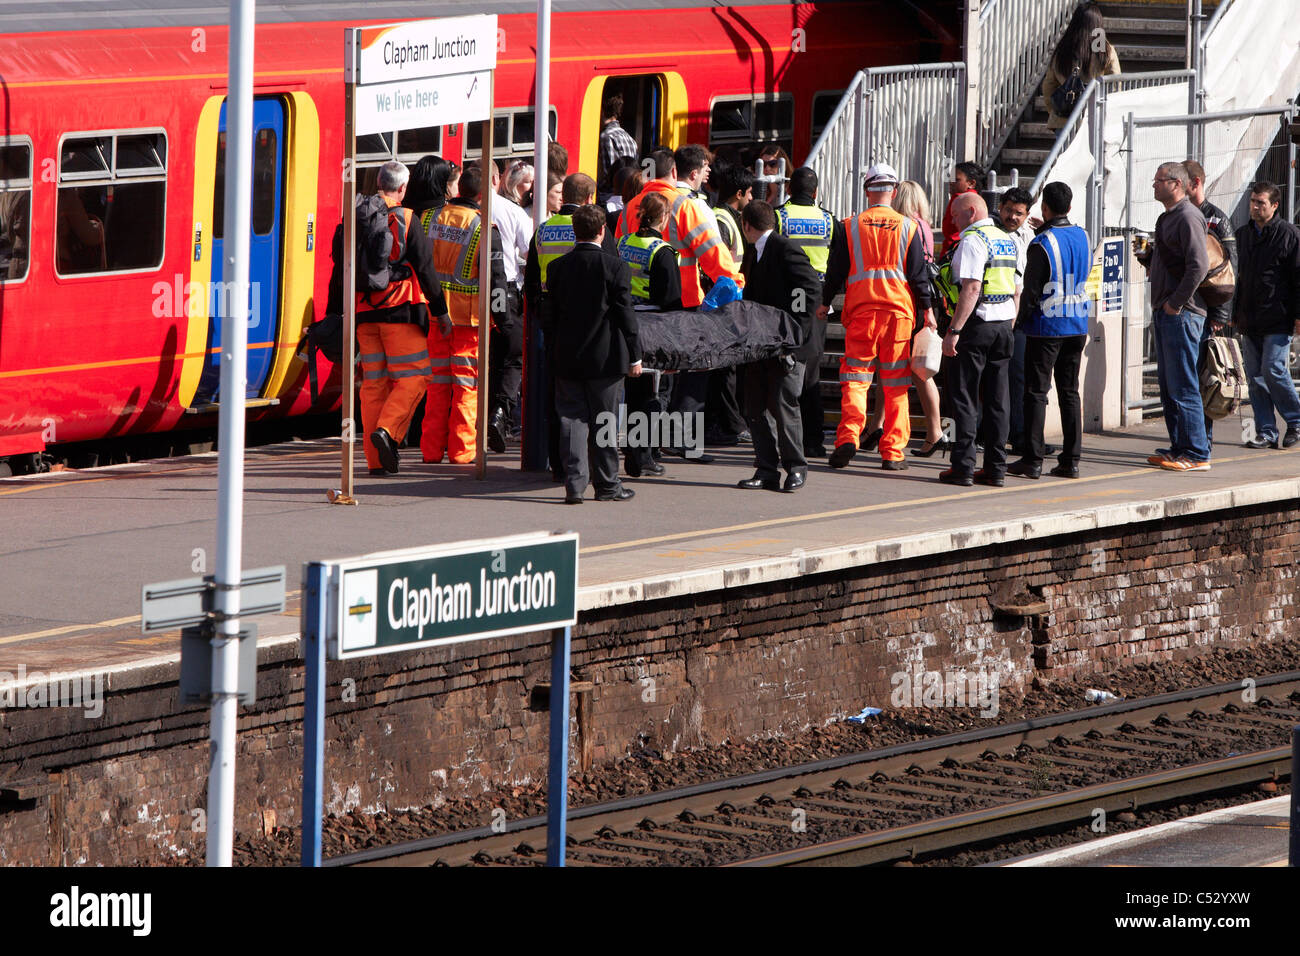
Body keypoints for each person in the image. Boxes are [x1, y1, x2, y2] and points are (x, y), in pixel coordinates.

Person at [326, 160, 451, 476]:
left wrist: (334, 312)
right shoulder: (407, 218)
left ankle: (376, 461)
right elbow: (425, 269)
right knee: (416, 376)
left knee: (373, 385)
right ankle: (388, 431)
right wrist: (441, 311)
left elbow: (339, 268)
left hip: (364, 313)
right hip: (400, 312)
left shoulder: (355, 216)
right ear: (403, 189)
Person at [621, 144, 745, 460]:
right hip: (686, 303)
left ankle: (646, 447)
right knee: (694, 371)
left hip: (639, 305)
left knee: (649, 379)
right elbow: (715, 256)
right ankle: (679, 440)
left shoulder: (632, 205)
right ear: (674, 172)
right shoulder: (689, 206)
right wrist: (735, 283)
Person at [820, 163, 935, 471]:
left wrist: (824, 301)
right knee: (896, 385)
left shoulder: (849, 225)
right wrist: (928, 309)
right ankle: (893, 452)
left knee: (855, 380)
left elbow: (835, 271)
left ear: (866, 191)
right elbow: (918, 274)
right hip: (898, 315)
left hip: (861, 313)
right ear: (893, 192)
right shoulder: (909, 227)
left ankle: (848, 437)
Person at [548, 204, 641, 504]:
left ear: (575, 231)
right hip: (606, 358)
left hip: (567, 357)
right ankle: (607, 485)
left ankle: (574, 486)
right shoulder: (616, 267)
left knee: (572, 421)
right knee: (604, 421)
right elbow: (626, 315)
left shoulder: (557, 268)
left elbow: (548, 317)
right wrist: (635, 355)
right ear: (602, 231)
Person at [524, 172, 613, 479]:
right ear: (589, 199)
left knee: (558, 397)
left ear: (564, 196)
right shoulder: (596, 228)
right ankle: (594, 469)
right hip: (592, 320)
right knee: (596, 400)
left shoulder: (544, 229)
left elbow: (531, 280)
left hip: (552, 319)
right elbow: (611, 272)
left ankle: (560, 465)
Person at [421, 165, 507, 465]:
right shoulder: (484, 228)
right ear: (483, 194)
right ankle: (462, 451)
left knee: (436, 386)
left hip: (435, 317)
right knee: (466, 388)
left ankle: (431, 451)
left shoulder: (430, 217)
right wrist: (502, 319)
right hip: (468, 322)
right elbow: (496, 280)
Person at [1007, 181, 1092, 480]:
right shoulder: (1083, 235)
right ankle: (1071, 461)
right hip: (1077, 323)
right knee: (1070, 392)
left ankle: (1031, 459)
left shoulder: (1041, 243)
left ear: (1044, 208)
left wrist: (1018, 323)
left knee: (1035, 393)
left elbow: (1031, 291)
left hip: (1046, 326)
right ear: (1069, 207)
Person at [938, 191, 1024, 486]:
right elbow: (1016, 289)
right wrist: (1009, 323)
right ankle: (995, 468)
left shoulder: (973, 240)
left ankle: (962, 467)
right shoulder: (1007, 239)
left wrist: (954, 331)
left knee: (962, 397)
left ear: (971, 212)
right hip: (1003, 326)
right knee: (998, 401)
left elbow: (971, 289)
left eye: (955, 214)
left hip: (977, 326)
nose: (952, 220)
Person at [737, 200, 822, 492]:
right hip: (759, 344)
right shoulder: (754, 251)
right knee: (755, 408)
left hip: (786, 345)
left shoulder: (784, 249)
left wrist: (794, 330)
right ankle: (766, 469)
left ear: (746, 225)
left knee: (785, 406)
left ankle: (796, 468)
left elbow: (810, 288)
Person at [861, 180, 945, 456]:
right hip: (918, 302)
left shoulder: (907, 226)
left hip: (909, 304)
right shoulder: (923, 226)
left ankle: (933, 432)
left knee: (916, 371)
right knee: (899, 366)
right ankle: (878, 425)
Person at [1142, 161, 1211, 471]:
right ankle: (1179, 446)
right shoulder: (1167, 217)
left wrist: (1176, 303)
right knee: (1170, 386)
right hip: (1166, 311)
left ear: (1177, 184)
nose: (1154, 185)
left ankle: (1196, 452)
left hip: (1181, 314)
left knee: (1183, 384)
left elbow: (1199, 265)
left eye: (1159, 180)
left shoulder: (1188, 217)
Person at [776, 166, 842, 457]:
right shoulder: (829, 220)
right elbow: (841, 263)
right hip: (817, 299)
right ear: (815, 193)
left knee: (782, 367)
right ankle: (813, 441)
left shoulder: (779, 216)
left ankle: (783, 436)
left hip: (785, 297)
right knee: (811, 371)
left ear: (790, 190)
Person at [617, 191, 681, 477]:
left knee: (632, 392)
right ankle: (643, 456)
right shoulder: (663, 252)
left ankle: (633, 450)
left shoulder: (623, 242)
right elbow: (671, 299)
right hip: (654, 327)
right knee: (653, 394)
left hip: (627, 324)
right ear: (664, 218)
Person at [1233, 181, 1300, 449]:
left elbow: (1298, 278)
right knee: (1255, 377)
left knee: (1272, 369)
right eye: (1252, 201)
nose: (1255, 206)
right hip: (1250, 317)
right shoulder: (1242, 235)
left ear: (1274, 205)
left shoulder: (1289, 235)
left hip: (1279, 316)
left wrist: (1298, 315)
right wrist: (1233, 312)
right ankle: (1266, 431)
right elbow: (1236, 277)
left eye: (1261, 202)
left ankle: (1295, 420)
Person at [1184, 158, 1238, 455]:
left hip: (1207, 312)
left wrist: (1222, 314)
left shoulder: (1216, 219)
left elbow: (1230, 269)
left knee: (1205, 377)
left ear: (1196, 183)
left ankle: (1203, 440)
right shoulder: (1179, 214)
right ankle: (1189, 440)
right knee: (1186, 377)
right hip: (1185, 308)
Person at [704, 162, 756, 448]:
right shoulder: (722, 220)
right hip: (724, 304)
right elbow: (720, 266)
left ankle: (727, 422)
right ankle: (726, 424)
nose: (750, 200)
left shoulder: (724, 217)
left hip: (729, 301)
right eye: (748, 194)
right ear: (738, 193)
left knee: (728, 368)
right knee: (725, 369)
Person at [482, 159, 532, 452]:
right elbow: (528, 250)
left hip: (469, 296)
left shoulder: (461, 214)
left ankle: (479, 420)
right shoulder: (512, 211)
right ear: (497, 178)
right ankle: (500, 414)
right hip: (507, 292)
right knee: (511, 357)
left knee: (482, 359)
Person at [996, 185, 1036, 455]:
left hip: (1019, 318)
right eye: (1009, 210)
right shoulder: (990, 233)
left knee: (1020, 379)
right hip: (995, 316)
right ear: (1000, 208)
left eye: (1019, 213)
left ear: (1027, 214)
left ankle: (1020, 435)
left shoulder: (1030, 235)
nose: (1012, 217)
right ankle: (992, 434)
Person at [1043, 2, 1120, 131]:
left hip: (1063, 121)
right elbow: (1115, 83)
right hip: (1093, 120)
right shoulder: (1104, 50)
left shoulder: (1062, 50)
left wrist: (1055, 110)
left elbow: (1048, 86)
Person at [597, 93, 639, 204]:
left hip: (613, 196)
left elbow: (609, 174)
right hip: (628, 193)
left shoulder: (606, 137)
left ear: (601, 111)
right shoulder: (629, 138)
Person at [941, 162, 984, 255]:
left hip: (953, 249)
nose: (951, 183)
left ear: (971, 183)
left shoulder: (958, 198)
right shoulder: (978, 199)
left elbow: (949, 231)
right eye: (951, 179)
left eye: (956, 180)